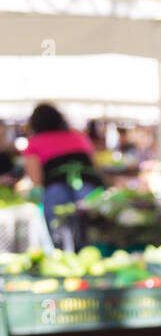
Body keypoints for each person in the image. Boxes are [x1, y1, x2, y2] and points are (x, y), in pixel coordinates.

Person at [22, 103, 103, 249]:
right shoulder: (78, 137)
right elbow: (96, 168)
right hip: (89, 189)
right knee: (93, 239)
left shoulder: (34, 143)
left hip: (57, 192)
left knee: (62, 240)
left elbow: (36, 181)